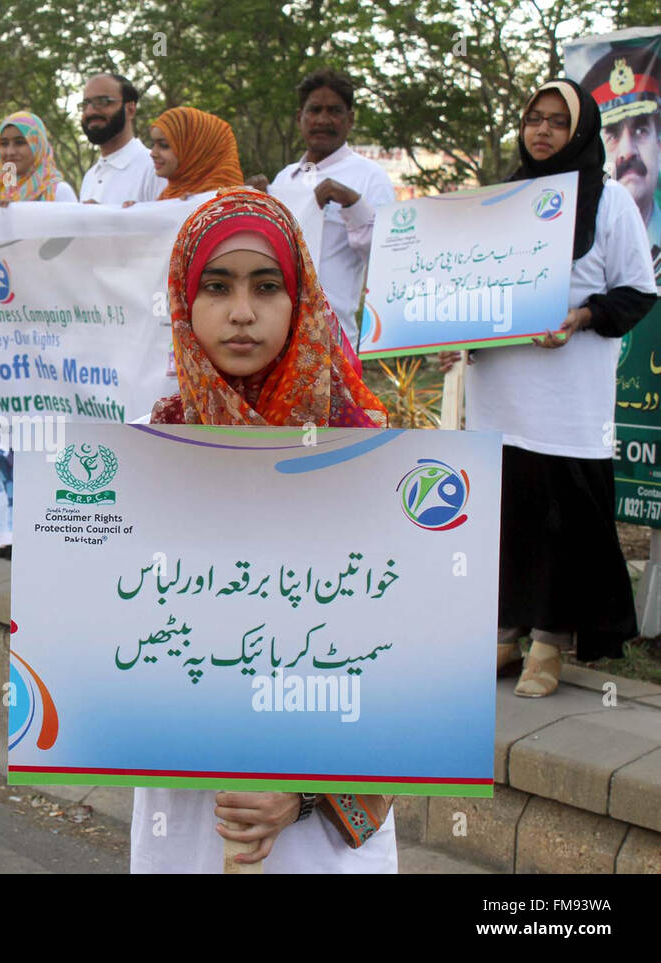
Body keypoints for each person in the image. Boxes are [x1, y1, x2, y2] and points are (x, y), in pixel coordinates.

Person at [132, 187, 392, 874]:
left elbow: (401, 667)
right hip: (190, 816)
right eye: (216, 287)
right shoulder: (151, 458)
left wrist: (300, 794)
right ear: (185, 303)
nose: (241, 312)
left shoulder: (367, 457)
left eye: (266, 286)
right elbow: (118, 653)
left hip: (319, 836)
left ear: (300, 298)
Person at [442, 79, 658, 697]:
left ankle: (550, 644)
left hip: (568, 401)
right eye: (533, 119)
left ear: (581, 132)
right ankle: (505, 635)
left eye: (556, 123)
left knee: (564, 519)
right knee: (505, 517)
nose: (541, 132)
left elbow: (637, 292)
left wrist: (582, 316)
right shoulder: (500, 201)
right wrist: (454, 333)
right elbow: (470, 289)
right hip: (499, 394)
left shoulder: (610, 202)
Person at [267, 69, 395, 348]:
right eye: (314, 110)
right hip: (275, 338)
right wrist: (254, 199)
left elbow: (389, 256)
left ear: (349, 120)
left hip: (332, 341)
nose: (323, 120)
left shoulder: (370, 177)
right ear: (299, 117)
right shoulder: (284, 179)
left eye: (334, 111)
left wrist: (352, 202)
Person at [583, 46, 661, 259]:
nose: (627, 152)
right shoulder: (577, 239)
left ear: (659, 142)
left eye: (640, 130)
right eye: (612, 136)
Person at [78, 73, 165, 204]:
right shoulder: (90, 176)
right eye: (86, 104)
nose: (90, 112)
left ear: (130, 109)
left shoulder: (155, 168)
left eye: (102, 102)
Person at [149, 106, 243, 201]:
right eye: (153, 144)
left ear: (197, 150)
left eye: (164, 145)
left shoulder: (232, 204)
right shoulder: (167, 196)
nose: (153, 153)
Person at [0, 111, 76, 204]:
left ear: (38, 146)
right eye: (4, 144)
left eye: (20, 142)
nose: (10, 152)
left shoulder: (59, 192)